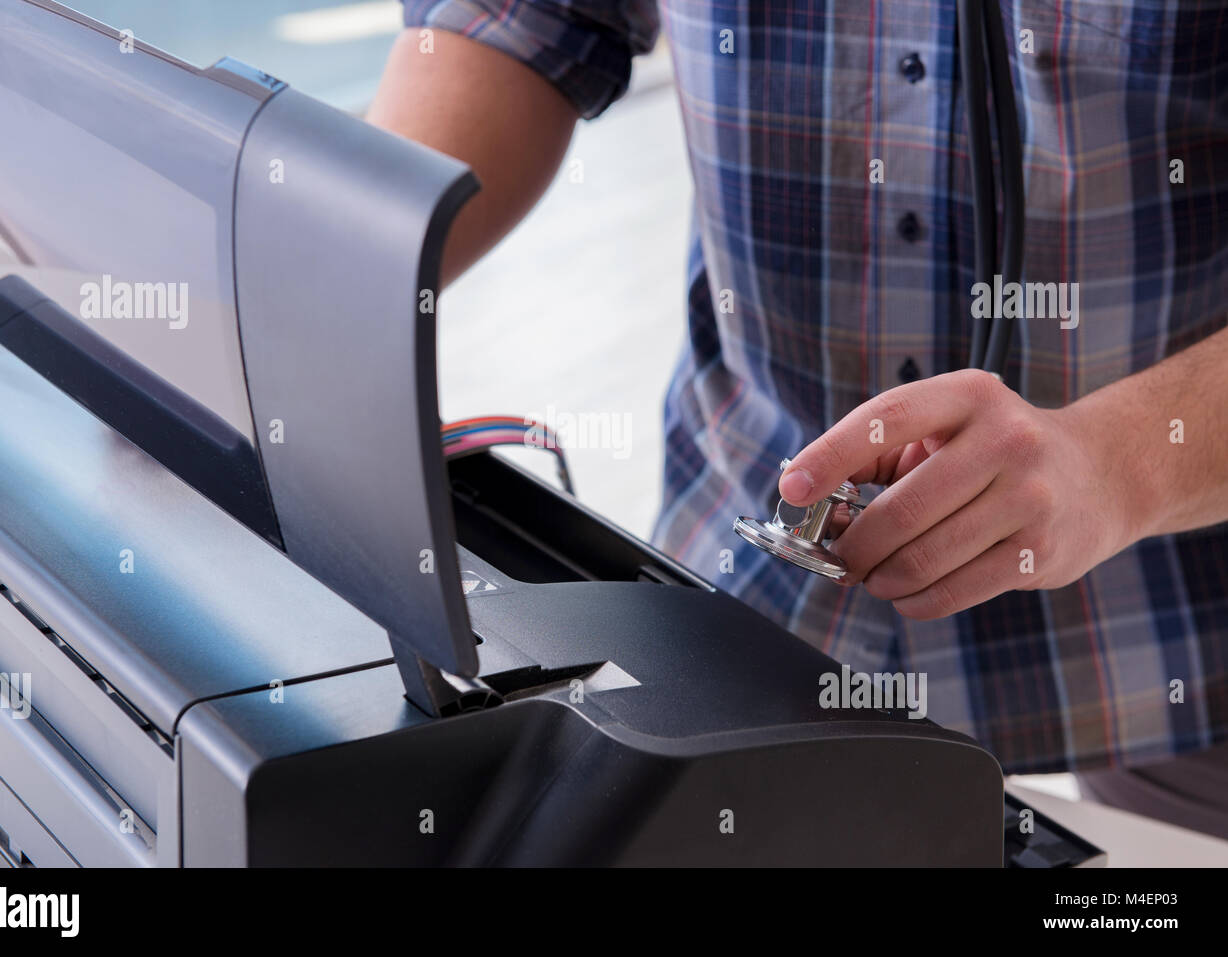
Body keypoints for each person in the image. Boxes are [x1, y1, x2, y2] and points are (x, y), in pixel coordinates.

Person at [368, 0, 1228, 839]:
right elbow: (521, 19)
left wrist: (1118, 463)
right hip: (748, 608)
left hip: (1181, 636)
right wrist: (337, 276)